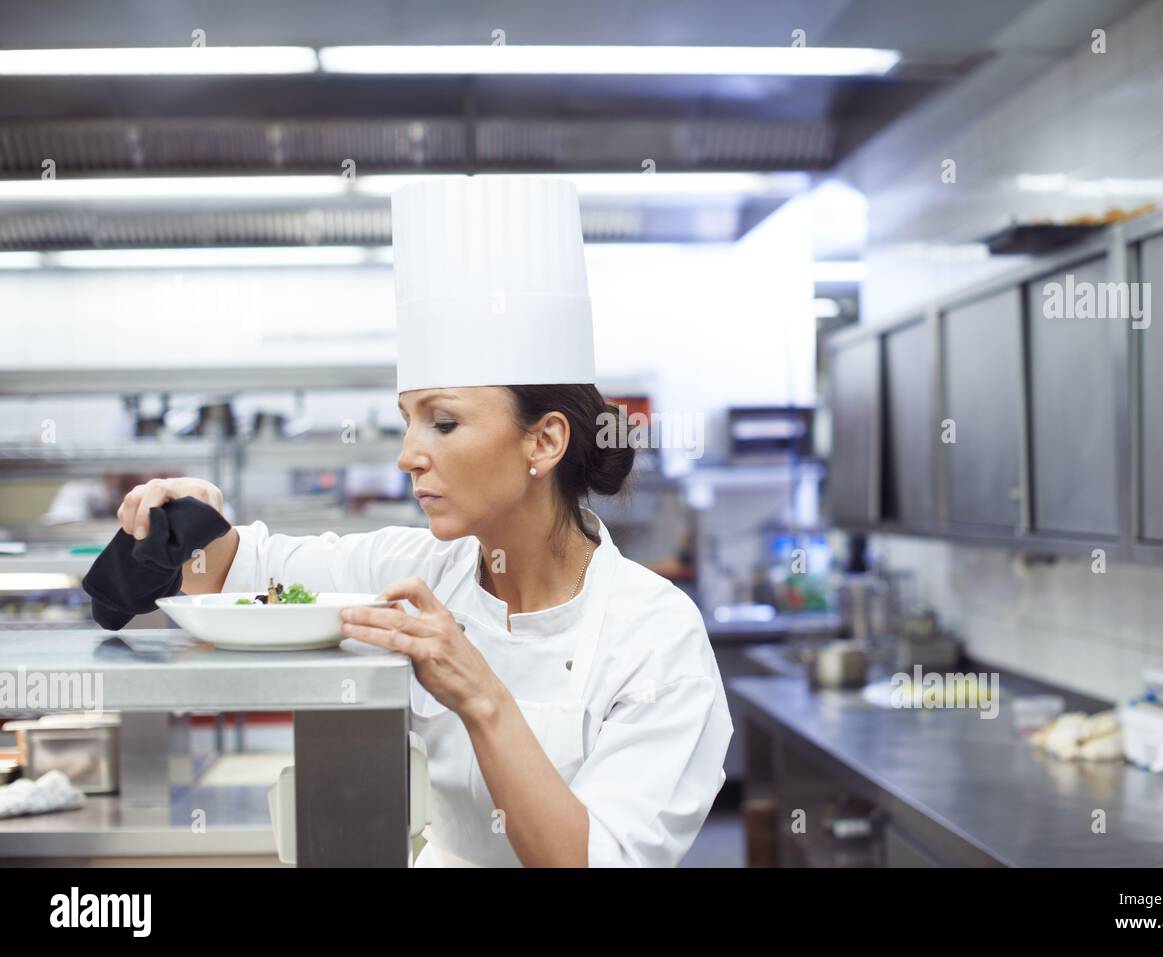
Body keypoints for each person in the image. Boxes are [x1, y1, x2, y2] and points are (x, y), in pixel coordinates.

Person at [114, 175, 733, 867]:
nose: (410, 455)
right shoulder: (415, 571)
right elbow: (241, 576)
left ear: (546, 441)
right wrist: (193, 521)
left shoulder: (656, 638)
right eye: (406, 421)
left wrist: (482, 694)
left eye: (443, 421)